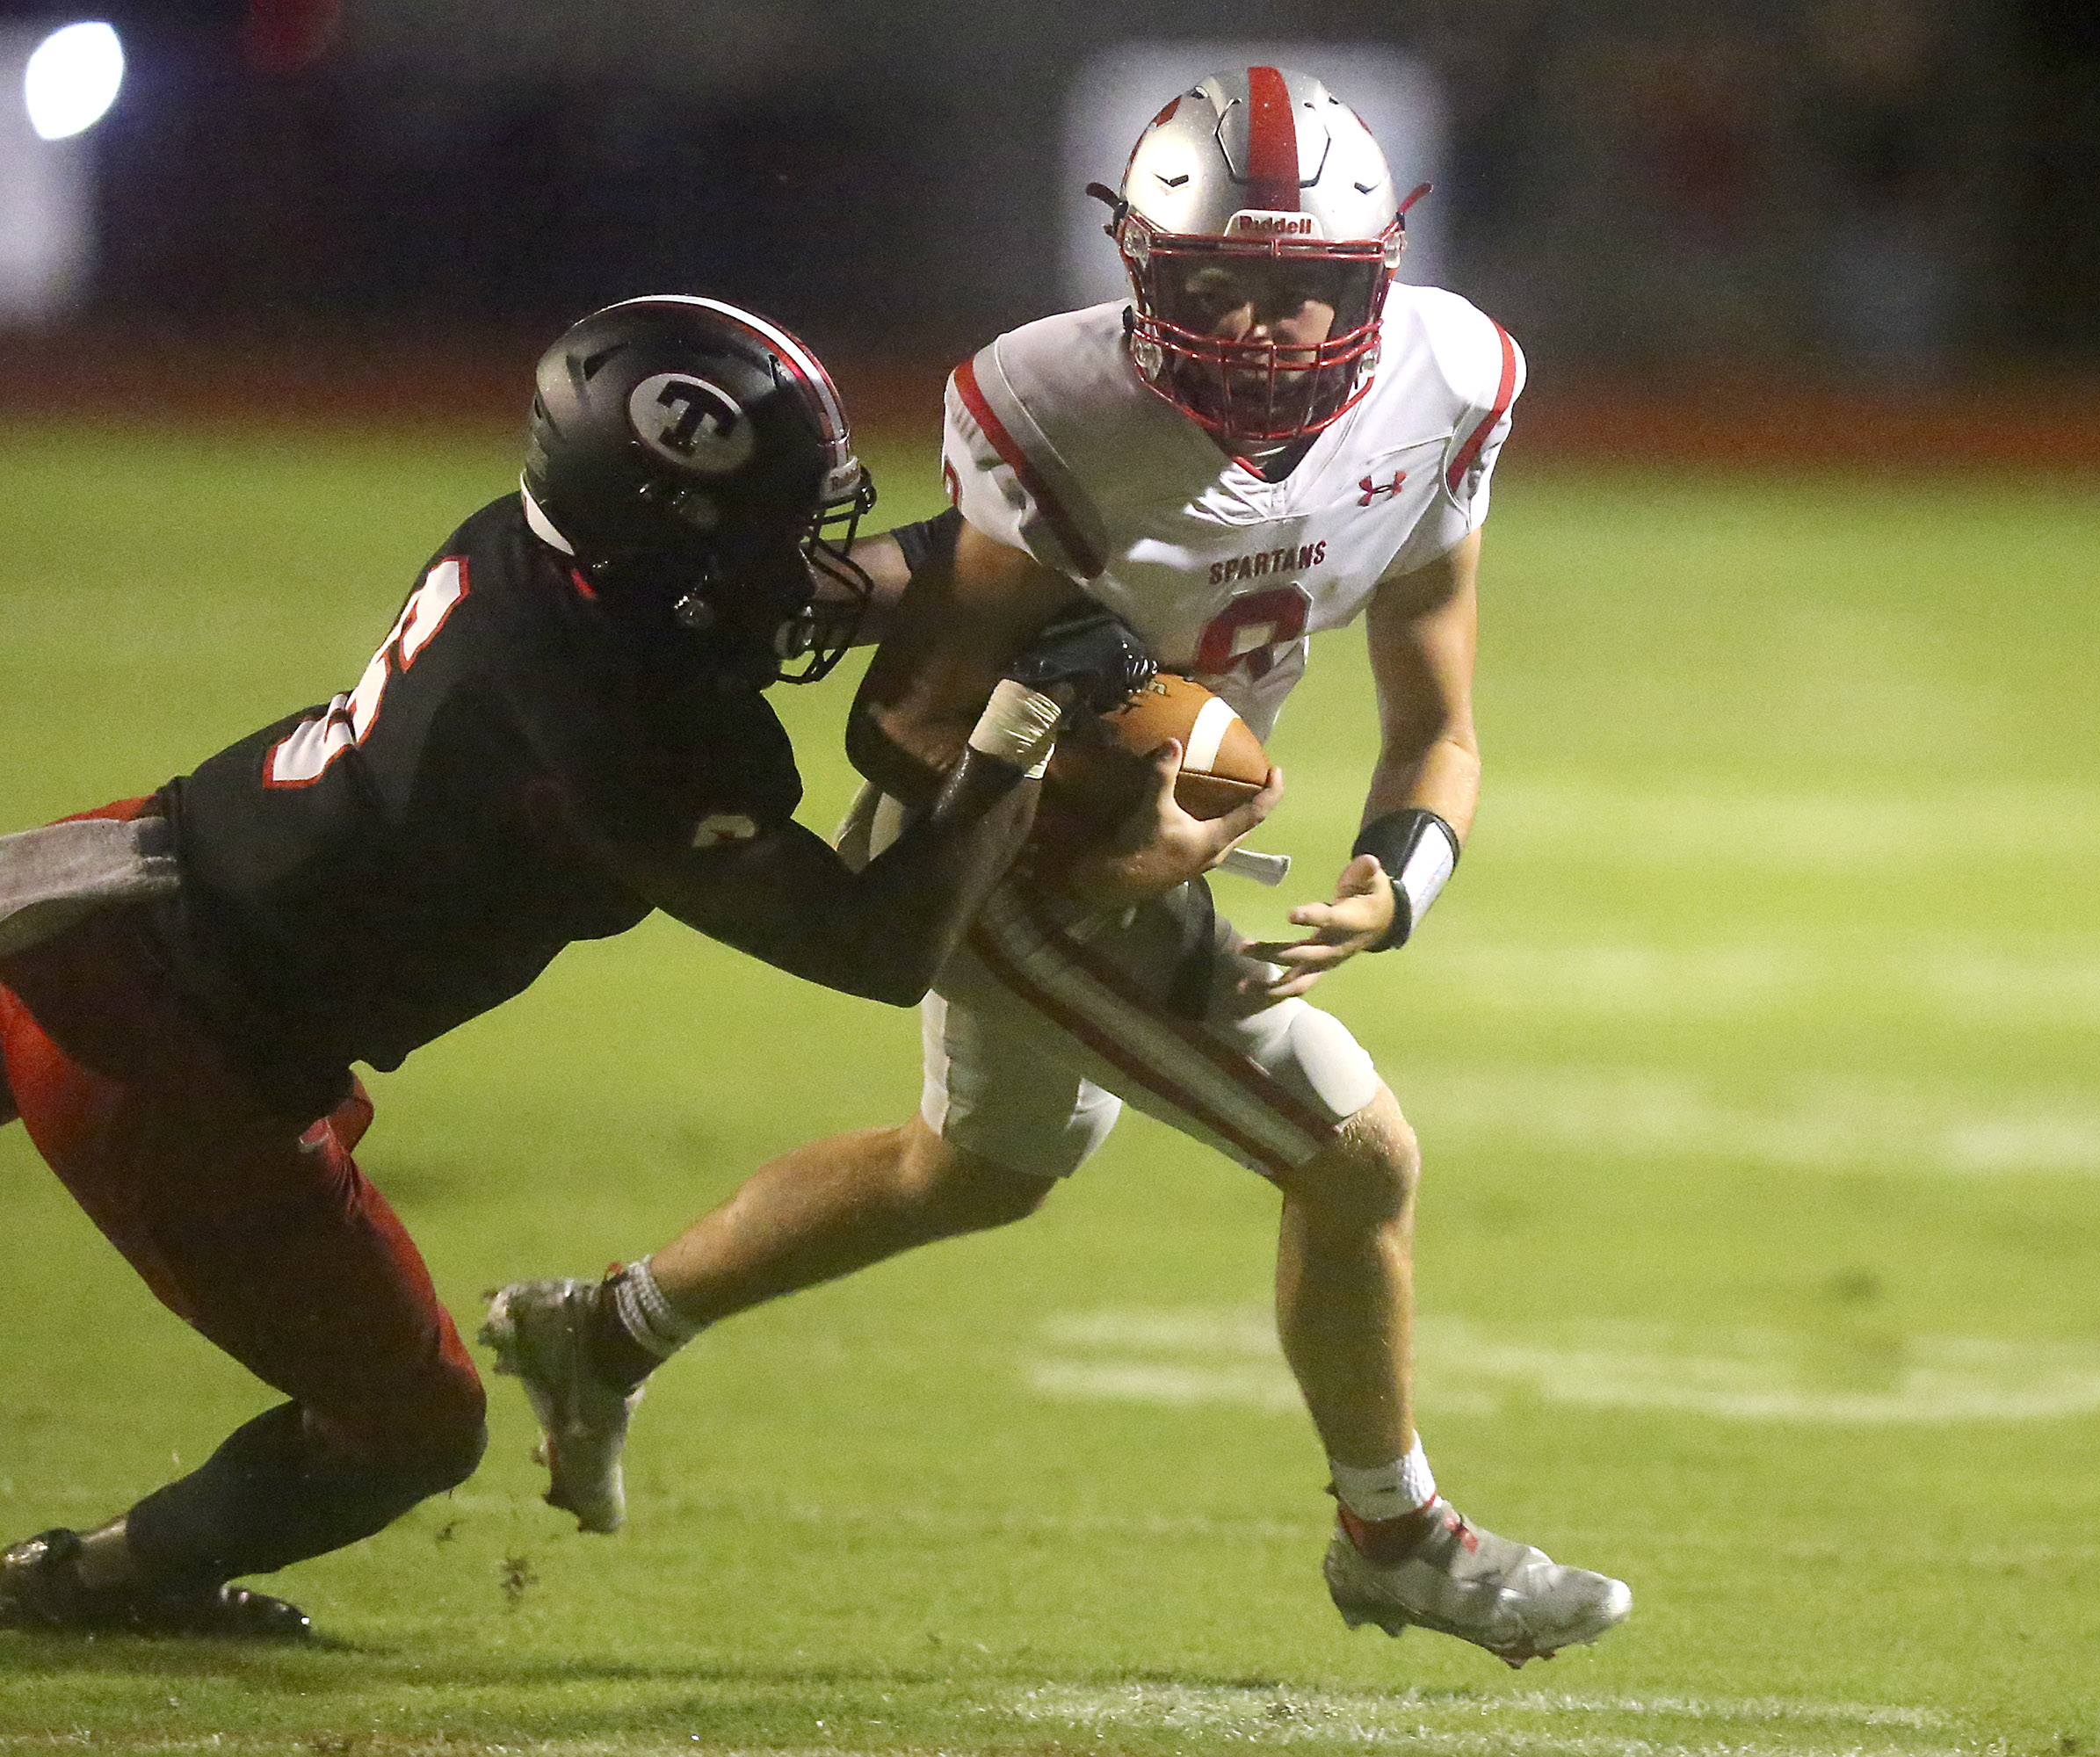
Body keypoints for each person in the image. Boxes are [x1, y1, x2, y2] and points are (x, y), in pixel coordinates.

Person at [483, 69, 1631, 1668]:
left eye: (1307, 292)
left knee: (973, 1172)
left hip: (1153, 833)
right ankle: (1399, 1538)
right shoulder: (1055, 400)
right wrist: (1137, 826)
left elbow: (1439, 715)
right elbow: (910, 728)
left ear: (1380, 274)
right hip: (1011, 846)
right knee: (1355, 1155)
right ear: (1138, 270)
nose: (1264, 332)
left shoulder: (1452, 374)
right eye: (1215, 285)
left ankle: (599, 1333)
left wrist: (1395, 881)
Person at [0, 294, 1146, 1639]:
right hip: (175, 1053)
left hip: (111, 879)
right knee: (409, 1426)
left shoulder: (559, 557)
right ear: (674, 534)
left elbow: (779, 601)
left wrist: (1038, 570)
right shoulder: (606, 724)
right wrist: (1021, 726)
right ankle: (95, 1585)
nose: (810, 547)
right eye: (781, 516)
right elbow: (877, 946)